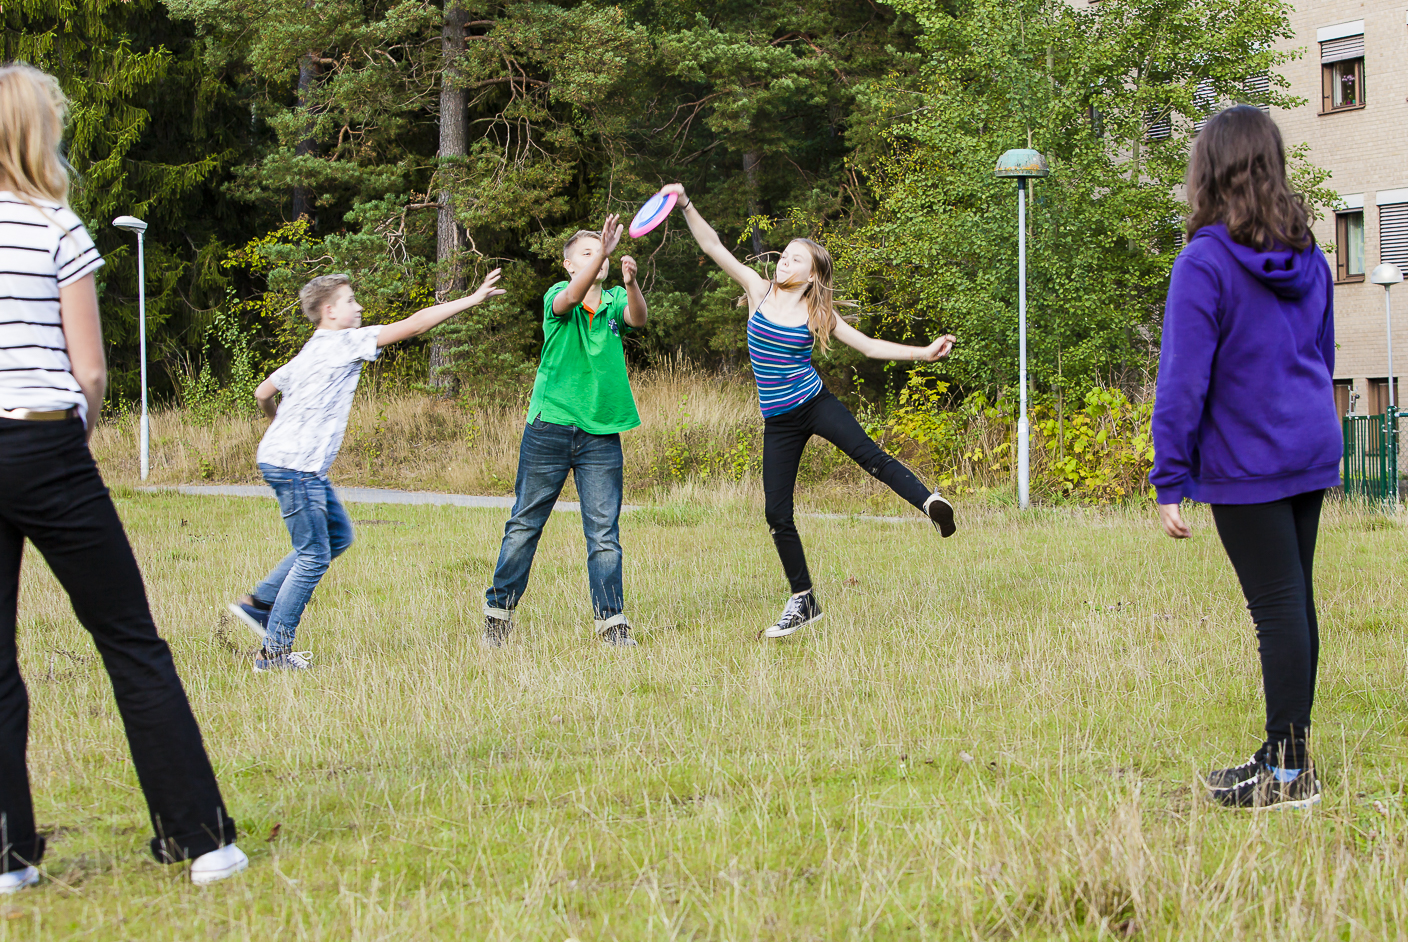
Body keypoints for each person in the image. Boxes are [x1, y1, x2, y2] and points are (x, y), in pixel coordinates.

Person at [0, 62, 247, 890]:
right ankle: (201, 839)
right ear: (41, 131)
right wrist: (79, 440)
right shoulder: (57, 226)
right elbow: (92, 371)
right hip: (46, 446)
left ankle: (7, 858)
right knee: (131, 643)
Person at [659, 183, 957, 639]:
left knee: (872, 458)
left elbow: (871, 346)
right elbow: (712, 245)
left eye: (796, 259)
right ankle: (804, 600)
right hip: (778, 422)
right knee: (777, 513)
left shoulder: (820, 314)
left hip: (815, 404)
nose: (784, 261)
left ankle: (930, 503)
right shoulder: (757, 290)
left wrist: (924, 353)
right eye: (784, 255)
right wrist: (684, 204)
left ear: (814, 275)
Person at [1151, 105, 1342, 810]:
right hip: (1310, 442)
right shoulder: (1310, 253)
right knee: (1295, 600)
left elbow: (1181, 381)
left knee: (1278, 607)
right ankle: (1284, 752)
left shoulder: (1203, 262)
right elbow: (1322, 356)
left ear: (1210, 169)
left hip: (1251, 460)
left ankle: (1289, 774)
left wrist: (1169, 475)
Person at [226, 270, 504, 670]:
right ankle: (274, 653)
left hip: (289, 460)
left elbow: (263, 392)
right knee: (314, 556)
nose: (358, 307)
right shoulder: (342, 343)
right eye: (351, 301)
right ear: (329, 311)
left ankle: (258, 604)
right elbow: (413, 325)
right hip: (296, 465)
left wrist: (277, 424)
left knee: (337, 536)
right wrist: (471, 300)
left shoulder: (311, 350)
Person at [483, 215, 647, 647]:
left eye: (602, 251)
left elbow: (639, 318)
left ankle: (612, 624)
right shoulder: (557, 295)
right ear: (570, 264)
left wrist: (631, 283)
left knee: (604, 532)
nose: (599, 257)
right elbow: (572, 298)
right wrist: (605, 254)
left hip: (600, 435)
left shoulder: (613, 301)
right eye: (588, 253)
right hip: (550, 427)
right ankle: (498, 616)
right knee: (525, 524)